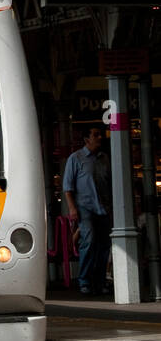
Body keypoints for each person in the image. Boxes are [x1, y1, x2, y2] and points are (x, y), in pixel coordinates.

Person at [63, 125, 111, 295]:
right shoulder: (75, 158)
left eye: (100, 135)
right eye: (96, 135)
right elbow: (67, 187)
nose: (100, 138)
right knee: (89, 241)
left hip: (103, 207)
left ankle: (100, 281)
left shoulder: (103, 158)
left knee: (104, 245)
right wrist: (72, 207)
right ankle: (85, 280)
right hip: (85, 207)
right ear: (86, 139)